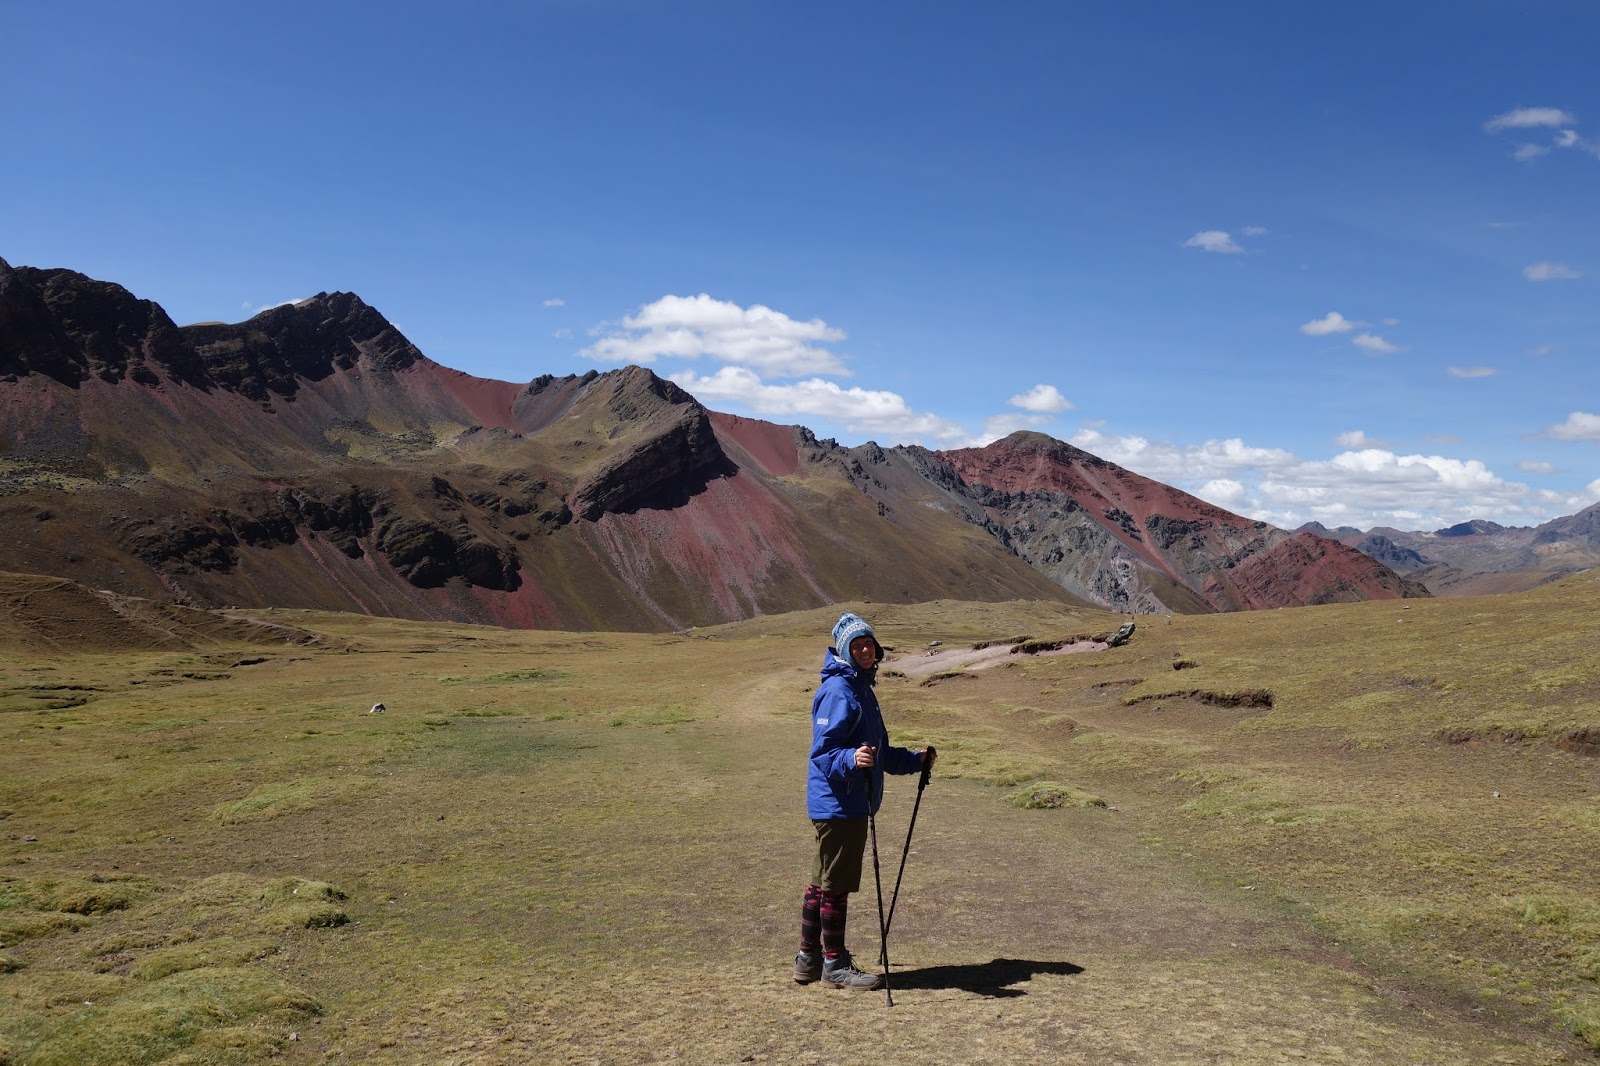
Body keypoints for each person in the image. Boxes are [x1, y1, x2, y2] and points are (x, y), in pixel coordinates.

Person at [794, 611, 935, 990]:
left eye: (868, 643)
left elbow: (881, 753)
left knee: (822, 882)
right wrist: (850, 759)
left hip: (846, 801)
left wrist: (915, 759)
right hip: (840, 803)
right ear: (844, 651)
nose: (864, 649)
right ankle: (833, 963)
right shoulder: (839, 691)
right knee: (835, 885)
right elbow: (823, 753)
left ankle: (808, 959)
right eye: (856, 645)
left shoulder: (860, 689)